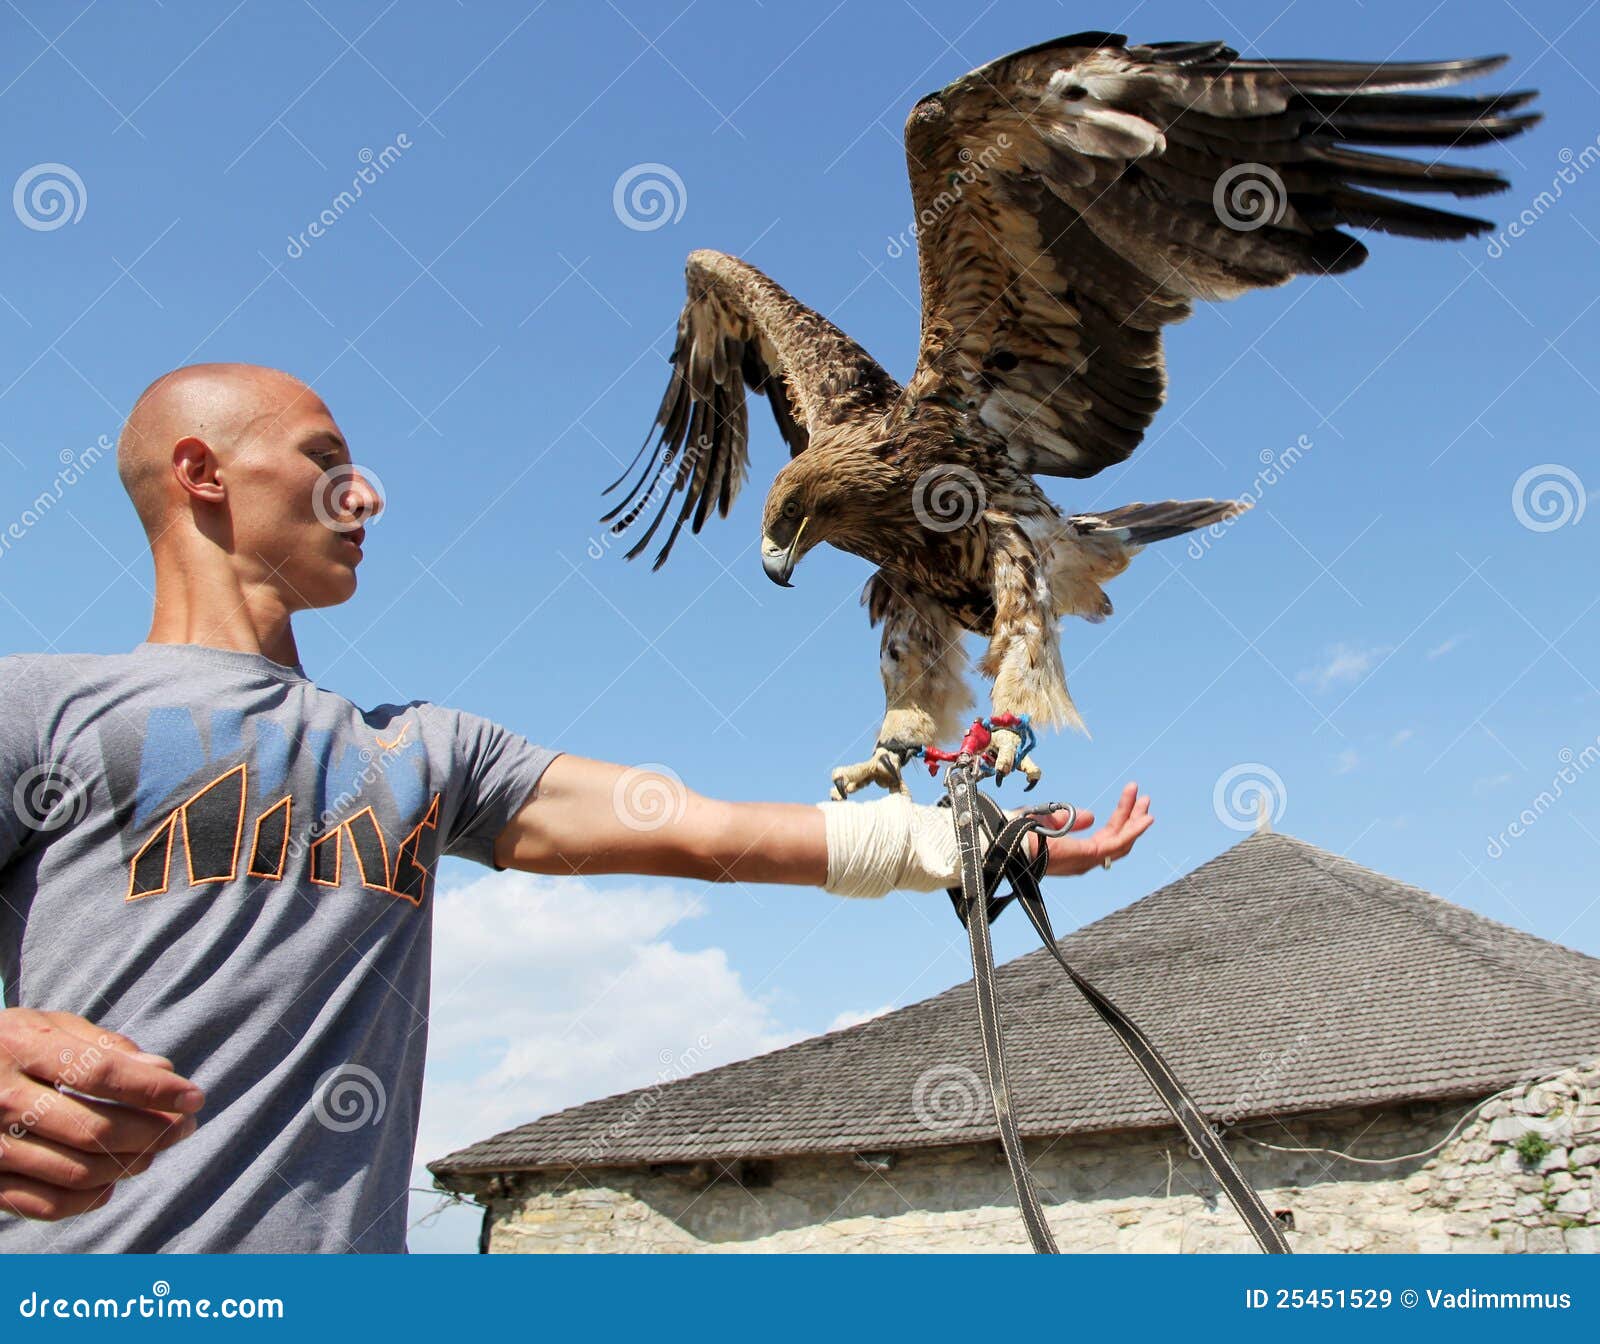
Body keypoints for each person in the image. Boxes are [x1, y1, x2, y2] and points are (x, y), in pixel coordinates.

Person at [0, 364, 1153, 1252]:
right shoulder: (44, 708)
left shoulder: (423, 752)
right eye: (325, 459)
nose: (369, 492)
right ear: (203, 473)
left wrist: (962, 843)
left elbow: (703, 833)